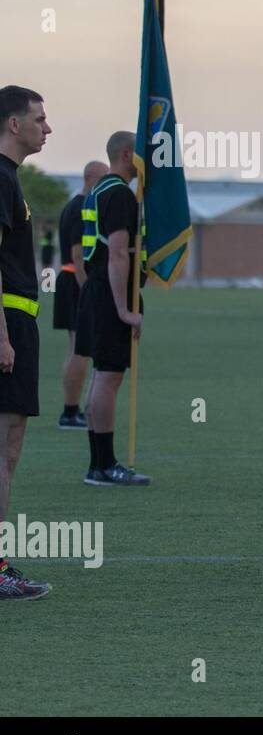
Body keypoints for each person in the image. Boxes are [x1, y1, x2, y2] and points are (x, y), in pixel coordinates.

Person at [0, 86, 53, 600]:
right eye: (40, 118)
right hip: (9, 327)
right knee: (4, 449)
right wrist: (3, 337)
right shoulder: (0, 177)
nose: (47, 127)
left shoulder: (10, 178)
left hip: (19, 324)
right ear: (13, 124)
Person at [77, 131, 152, 486]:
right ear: (126, 154)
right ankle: (105, 465)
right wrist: (124, 309)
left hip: (94, 291)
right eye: (142, 154)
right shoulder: (120, 193)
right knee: (109, 377)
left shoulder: (97, 191)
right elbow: (119, 254)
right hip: (109, 295)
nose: (147, 162)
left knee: (101, 376)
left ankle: (98, 464)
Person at [54, 160, 106, 430]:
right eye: (104, 179)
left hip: (71, 281)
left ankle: (72, 410)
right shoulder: (80, 208)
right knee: (79, 349)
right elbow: (78, 256)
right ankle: (70, 411)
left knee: (79, 349)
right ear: (91, 178)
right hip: (75, 281)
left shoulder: (76, 205)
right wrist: (90, 292)